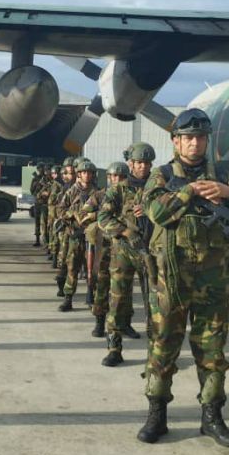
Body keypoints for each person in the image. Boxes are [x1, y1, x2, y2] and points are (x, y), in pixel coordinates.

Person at [136, 108, 229, 447]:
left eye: (200, 137)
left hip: (213, 280)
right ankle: (157, 414)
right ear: (176, 142)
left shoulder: (223, 177)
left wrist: (227, 194)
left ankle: (212, 415)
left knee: (212, 349)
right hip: (171, 280)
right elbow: (156, 211)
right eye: (187, 137)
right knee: (163, 347)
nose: (194, 143)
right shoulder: (160, 176)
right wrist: (191, 191)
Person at [97, 144, 156, 366]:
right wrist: (125, 230)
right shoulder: (118, 190)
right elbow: (103, 219)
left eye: (147, 163)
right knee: (118, 300)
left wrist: (150, 212)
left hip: (151, 251)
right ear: (130, 163)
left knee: (155, 303)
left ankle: (155, 351)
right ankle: (114, 348)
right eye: (139, 162)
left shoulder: (158, 187)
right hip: (123, 251)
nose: (143, 166)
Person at [79, 162, 119, 329]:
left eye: (122, 177)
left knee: (123, 288)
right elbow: (84, 212)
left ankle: (122, 323)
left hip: (122, 244)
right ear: (108, 178)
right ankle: (99, 320)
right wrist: (99, 214)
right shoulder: (99, 195)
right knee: (99, 279)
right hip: (101, 242)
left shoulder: (130, 195)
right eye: (114, 176)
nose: (118, 180)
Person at [55, 159, 97, 311]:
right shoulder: (72, 191)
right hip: (75, 235)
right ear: (79, 174)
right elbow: (60, 210)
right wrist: (72, 214)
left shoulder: (97, 192)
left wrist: (94, 216)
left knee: (92, 270)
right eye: (84, 173)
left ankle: (92, 297)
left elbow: (105, 211)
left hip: (92, 238)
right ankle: (68, 298)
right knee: (72, 268)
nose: (86, 176)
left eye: (89, 173)